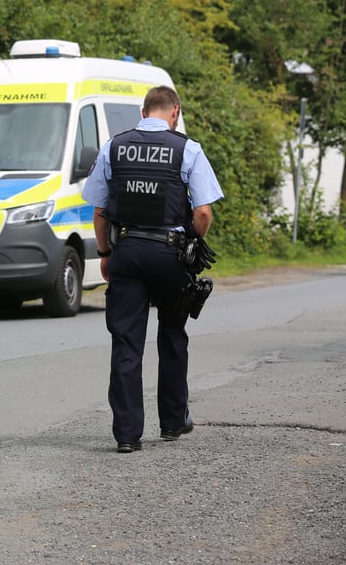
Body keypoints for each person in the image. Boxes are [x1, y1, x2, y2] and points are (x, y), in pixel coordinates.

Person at [82, 85, 224, 454]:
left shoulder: (114, 146)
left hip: (127, 250)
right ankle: (173, 423)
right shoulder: (187, 149)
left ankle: (127, 435)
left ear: (143, 111)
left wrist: (105, 252)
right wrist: (192, 239)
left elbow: (98, 210)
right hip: (169, 254)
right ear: (174, 110)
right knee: (173, 332)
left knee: (126, 343)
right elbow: (204, 212)